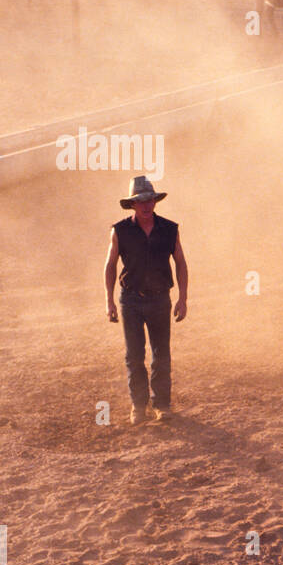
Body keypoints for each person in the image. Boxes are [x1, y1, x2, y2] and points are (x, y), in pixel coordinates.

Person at [104, 176, 188, 425]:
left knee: (161, 354)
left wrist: (183, 299)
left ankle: (161, 404)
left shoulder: (169, 229)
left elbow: (181, 263)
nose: (145, 205)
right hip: (130, 300)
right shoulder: (119, 230)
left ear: (155, 201)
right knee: (134, 355)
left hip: (160, 299)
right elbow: (110, 265)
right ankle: (138, 406)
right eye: (140, 200)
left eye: (149, 199)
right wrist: (109, 301)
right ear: (132, 204)